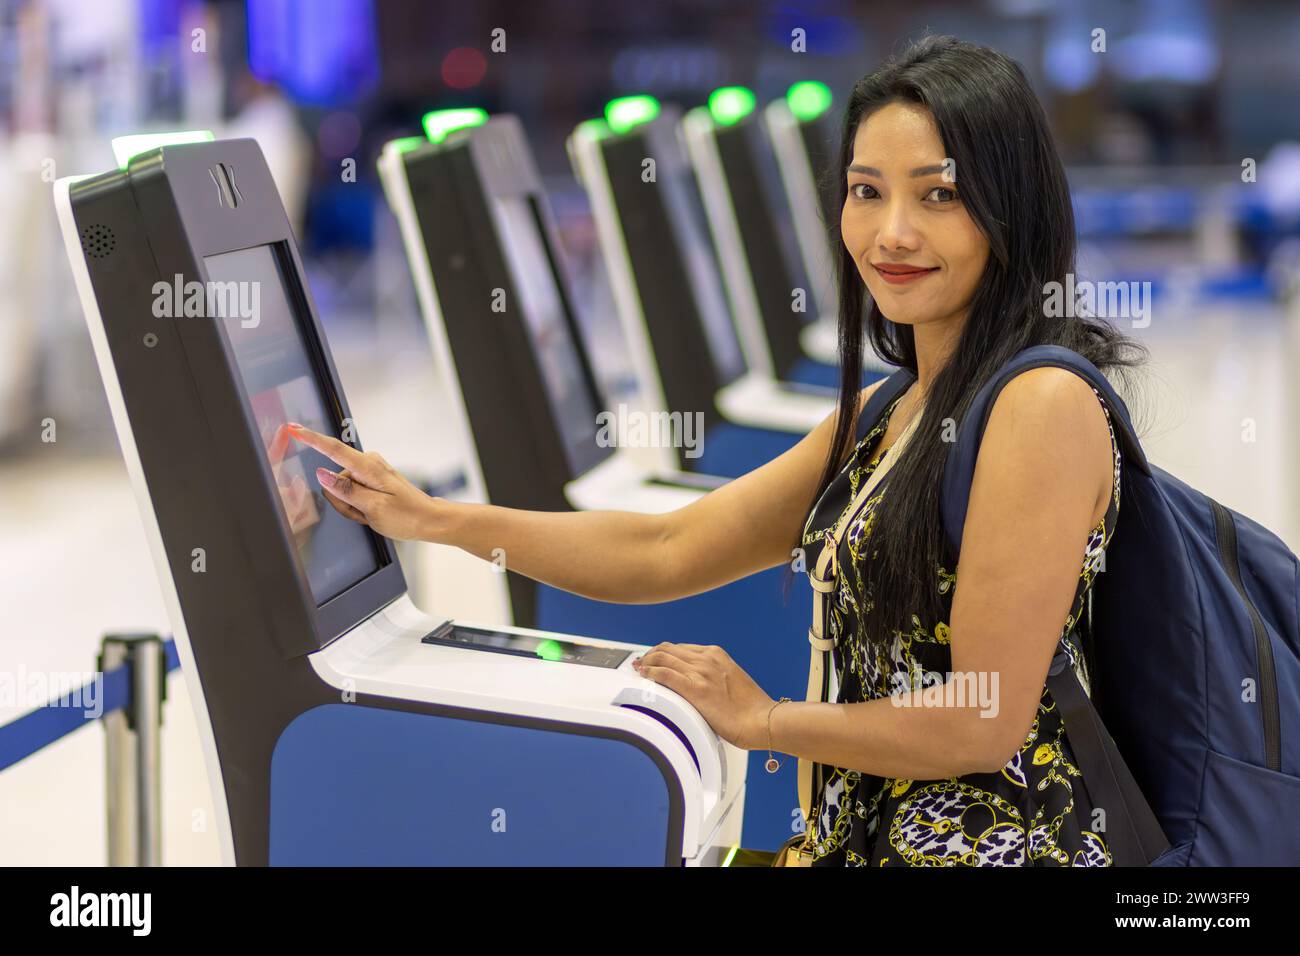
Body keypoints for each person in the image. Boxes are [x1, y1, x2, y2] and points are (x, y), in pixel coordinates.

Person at [288, 34, 1148, 867]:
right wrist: (434, 519)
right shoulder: (893, 411)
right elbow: (668, 550)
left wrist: (765, 721)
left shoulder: (1039, 405)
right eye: (865, 191)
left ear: (1011, 206)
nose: (890, 233)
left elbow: (982, 718)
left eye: (937, 196)